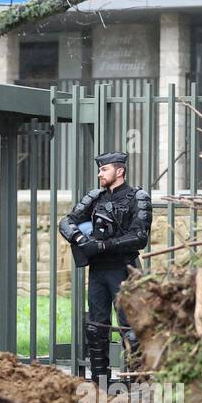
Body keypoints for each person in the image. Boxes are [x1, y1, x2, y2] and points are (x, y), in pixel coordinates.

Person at [57, 151, 152, 387]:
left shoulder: (137, 197)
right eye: (99, 170)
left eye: (104, 169)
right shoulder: (94, 197)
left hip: (125, 269)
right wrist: (81, 239)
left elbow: (139, 237)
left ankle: (134, 381)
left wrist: (103, 244)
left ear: (119, 171)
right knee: (96, 327)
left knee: (130, 329)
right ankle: (100, 381)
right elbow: (66, 222)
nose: (100, 174)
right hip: (98, 271)